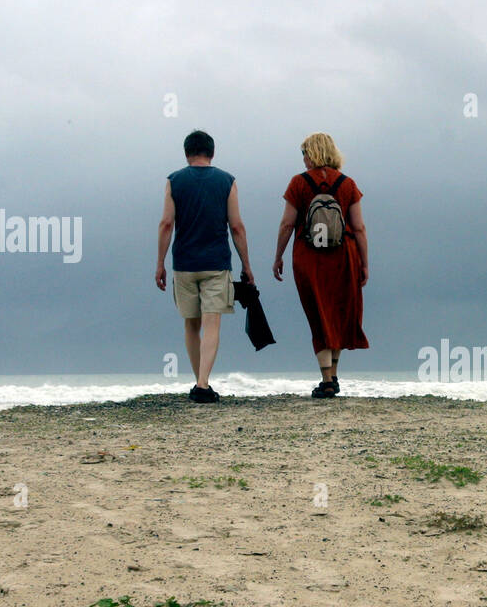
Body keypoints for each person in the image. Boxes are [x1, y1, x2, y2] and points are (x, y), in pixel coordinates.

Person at [155, 130, 254, 403]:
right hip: (216, 263)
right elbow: (236, 226)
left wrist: (160, 263)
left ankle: (198, 380)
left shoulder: (174, 181)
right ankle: (203, 383)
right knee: (212, 323)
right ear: (212, 153)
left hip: (184, 263)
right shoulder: (227, 181)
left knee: (191, 324)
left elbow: (166, 224)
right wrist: (247, 265)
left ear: (187, 153)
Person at [272, 132, 369, 398]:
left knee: (318, 313)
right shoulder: (348, 184)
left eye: (304, 153)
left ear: (312, 154)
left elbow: (287, 224)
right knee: (337, 312)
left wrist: (278, 255)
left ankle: (327, 379)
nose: (303, 158)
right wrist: (364, 263)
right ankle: (333, 375)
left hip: (309, 257)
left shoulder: (298, 183)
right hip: (343, 255)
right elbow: (359, 227)